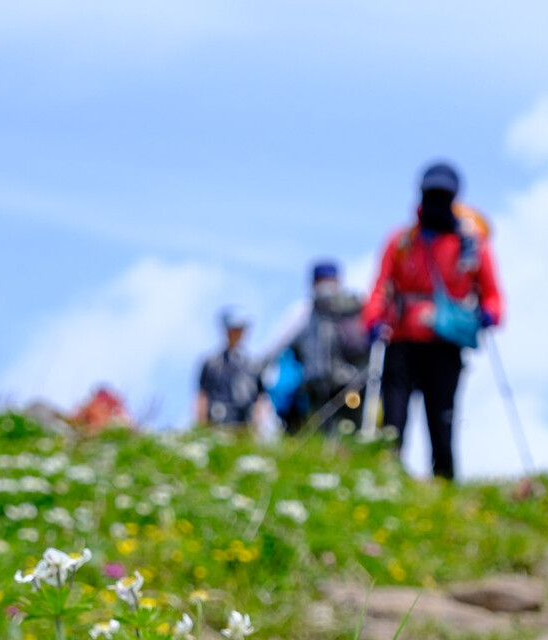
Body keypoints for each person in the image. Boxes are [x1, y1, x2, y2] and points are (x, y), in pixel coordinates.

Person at [361, 161, 503, 480]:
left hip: (445, 346)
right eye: (432, 194)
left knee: (442, 420)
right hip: (400, 340)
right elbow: (380, 287)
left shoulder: (470, 246)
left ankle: (443, 482)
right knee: (393, 419)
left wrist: (488, 314)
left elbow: (493, 294)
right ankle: (386, 477)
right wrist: (372, 321)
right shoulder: (401, 242)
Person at [262, 260, 369, 433]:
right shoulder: (357, 307)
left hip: (317, 385)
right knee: (351, 433)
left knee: (320, 432)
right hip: (355, 383)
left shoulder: (303, 310)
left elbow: (276, 345)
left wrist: (258, 368)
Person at [195, 306, 261, 428]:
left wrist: (257, 426)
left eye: (240, 329)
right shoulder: (211, 364)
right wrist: (201, 428)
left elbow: (260, 399)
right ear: (226, 330)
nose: (237, 333)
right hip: (218, 425)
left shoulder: (252, 366)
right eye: (234, 329)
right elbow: (202, 397)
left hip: (244, 429)